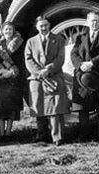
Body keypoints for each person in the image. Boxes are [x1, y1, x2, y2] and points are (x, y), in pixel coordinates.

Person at [70, 11, 99, 142]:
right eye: (92, 21)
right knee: (83, 108)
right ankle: (84, 135)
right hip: (83, 77)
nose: (94, 23)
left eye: (96, 20)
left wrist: (91, 63)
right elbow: (74, 54)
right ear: (87, 22)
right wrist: (81, 65)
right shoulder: (79, 37)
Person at [24, 17, 70, 145]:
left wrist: (48, 70)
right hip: (37, 77)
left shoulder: (59, 39)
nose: (43, 28)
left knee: (55, 106)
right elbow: (28, 59)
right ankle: (42, 135)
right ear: (37, 27)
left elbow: (60, 58)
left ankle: (57, 137)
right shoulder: (31, 42)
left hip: (54, 75)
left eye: (45, 25)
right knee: (38, 104)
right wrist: (39, 72)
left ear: (49, 25)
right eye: (41, 26)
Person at [0, 22, 25, 142]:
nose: (8, 32)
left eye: (10, 29)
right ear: (2, 31)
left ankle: (9, 132)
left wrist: (11, 71)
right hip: (0, 78)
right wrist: (2, 70)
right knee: (1, 107)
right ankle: (1, 132)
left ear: (13, 30)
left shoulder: (19, 42)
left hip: (13, 78)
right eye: (6, 29)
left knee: (11, 107)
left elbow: (20, 60)